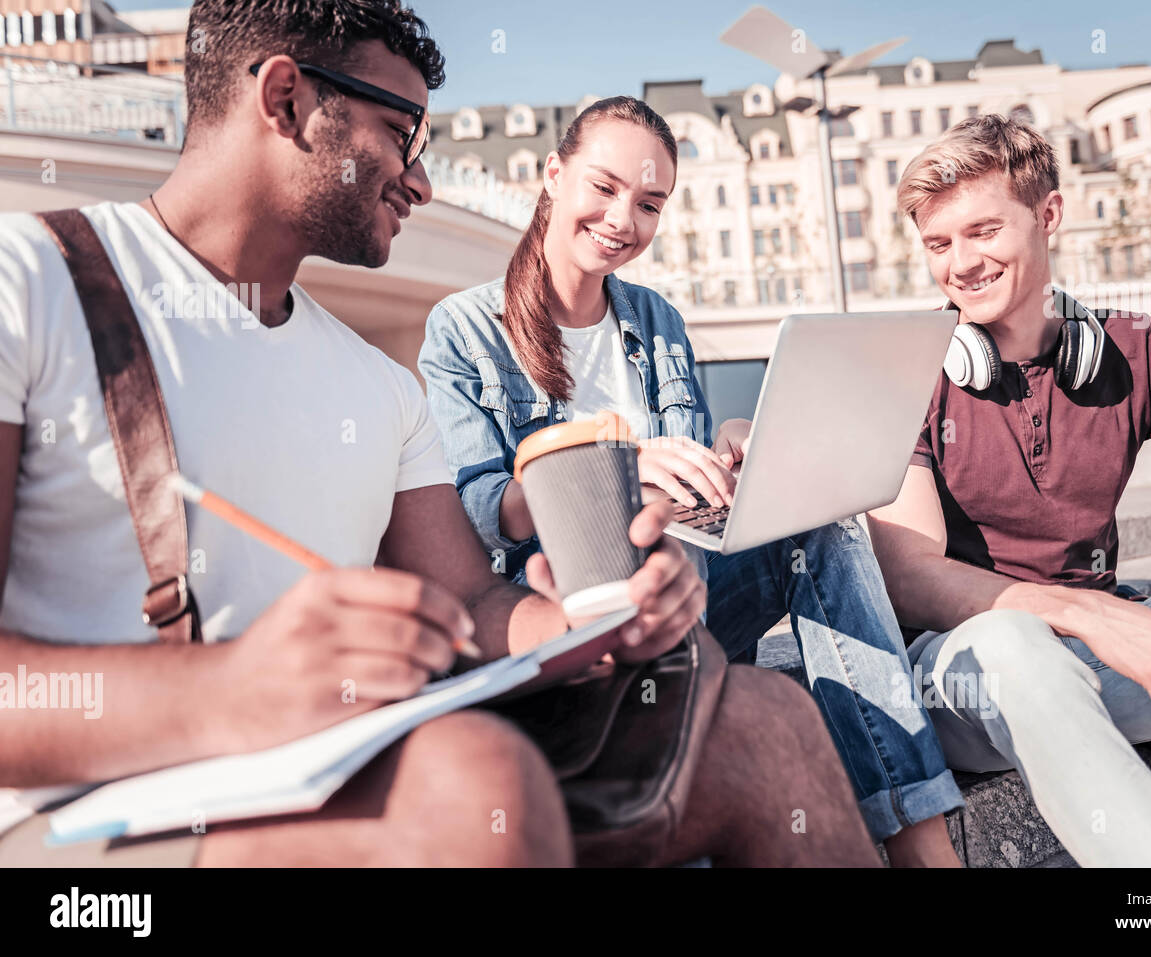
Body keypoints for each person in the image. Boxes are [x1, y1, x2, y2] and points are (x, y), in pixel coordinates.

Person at [0, 0, 880, 868]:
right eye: (399, 132)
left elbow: (474, 606)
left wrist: (596, 624)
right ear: (285, 101)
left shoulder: (380, 385)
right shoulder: (28, 279)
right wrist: (231, 689)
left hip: (347, 773)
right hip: (91, 812)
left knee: (767, 724)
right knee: (473, 781)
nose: (420, 180)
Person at [420, 96, 964, 865]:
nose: (621, 219)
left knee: (825, 522)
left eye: (648, 204)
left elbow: (688, 493)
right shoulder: (464, 329)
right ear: (552, 175)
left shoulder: (656, 319)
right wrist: (615, 467)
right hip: (566, 613)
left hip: (690, 588)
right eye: (603, 188)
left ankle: (919, 841)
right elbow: (483, 515)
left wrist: (738, 453)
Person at [866, 112, 1151, 867]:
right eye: (939, 243)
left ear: (1050, 215)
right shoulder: (903, 367)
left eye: (983, 232)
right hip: (967, 678)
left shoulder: (1142, 347)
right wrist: (1103, 617)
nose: (960, 263)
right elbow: (910, 576)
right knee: (1019, 646)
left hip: (1109, 659)